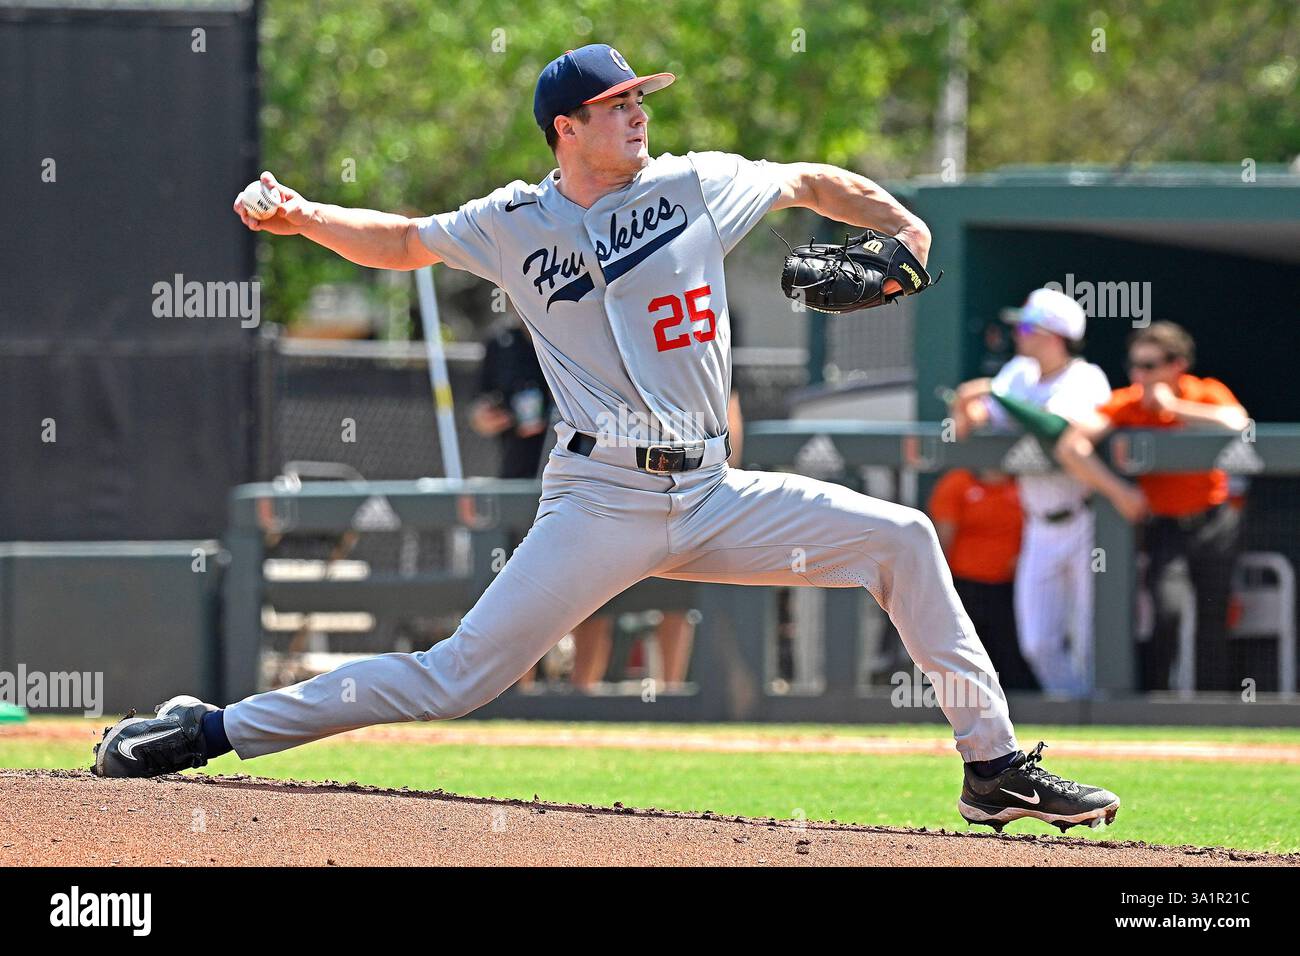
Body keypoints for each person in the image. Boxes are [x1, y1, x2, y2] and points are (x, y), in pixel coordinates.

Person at [93, 44, 1118, 833]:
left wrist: (911, 237)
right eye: (618, 105)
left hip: (715, 492)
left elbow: (809, 179)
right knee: (454, 677)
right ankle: (212, 727)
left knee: (901, 536)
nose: (638, 114)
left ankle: (991, 767)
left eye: (640, 100)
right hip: (600, 499)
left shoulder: (692, 185)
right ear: (564, 128)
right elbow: (401, 240)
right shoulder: (511, 221)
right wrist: (305, 214)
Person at [1055, 322, 1250, 691]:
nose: (1139, 375)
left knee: (1214, 613)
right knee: (1166, 612)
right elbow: (1071, 446)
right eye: (1135, 366)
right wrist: (1119, 492)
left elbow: (1239, 422)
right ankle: (1157, 700)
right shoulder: (1128, 402)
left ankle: (1213, 705)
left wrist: (1175, 407)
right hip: (1165, 526)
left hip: (1214, 520)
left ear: (1176, 365)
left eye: (1149, 366)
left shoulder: (1203, 391)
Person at [950, 288, 1112, 697]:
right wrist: (966, 407)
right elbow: (974, 421)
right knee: (1038, 642)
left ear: (1054, 336)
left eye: (1026, 326)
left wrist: (993, 393)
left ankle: (1097, 717)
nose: (1017, 334)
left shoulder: (1086, 378)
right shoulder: (1019, 372)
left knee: (1090, 637)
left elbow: (1054, 429)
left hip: (1086, 518)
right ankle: (1077, 714)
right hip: (1038, 521)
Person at [927, 468, 1038, 691]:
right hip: (964, 587)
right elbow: (942, 540)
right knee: (960, 654)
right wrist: (935, 588)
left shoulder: (1025, 485)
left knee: (1012, 657)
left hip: (1011, 588)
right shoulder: (957, 482)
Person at [470, 313, 554, 480]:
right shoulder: (500, 341)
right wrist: (486, 417)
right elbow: (479, 408)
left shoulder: (567, 337)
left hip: (570, 468)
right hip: (518, 466)